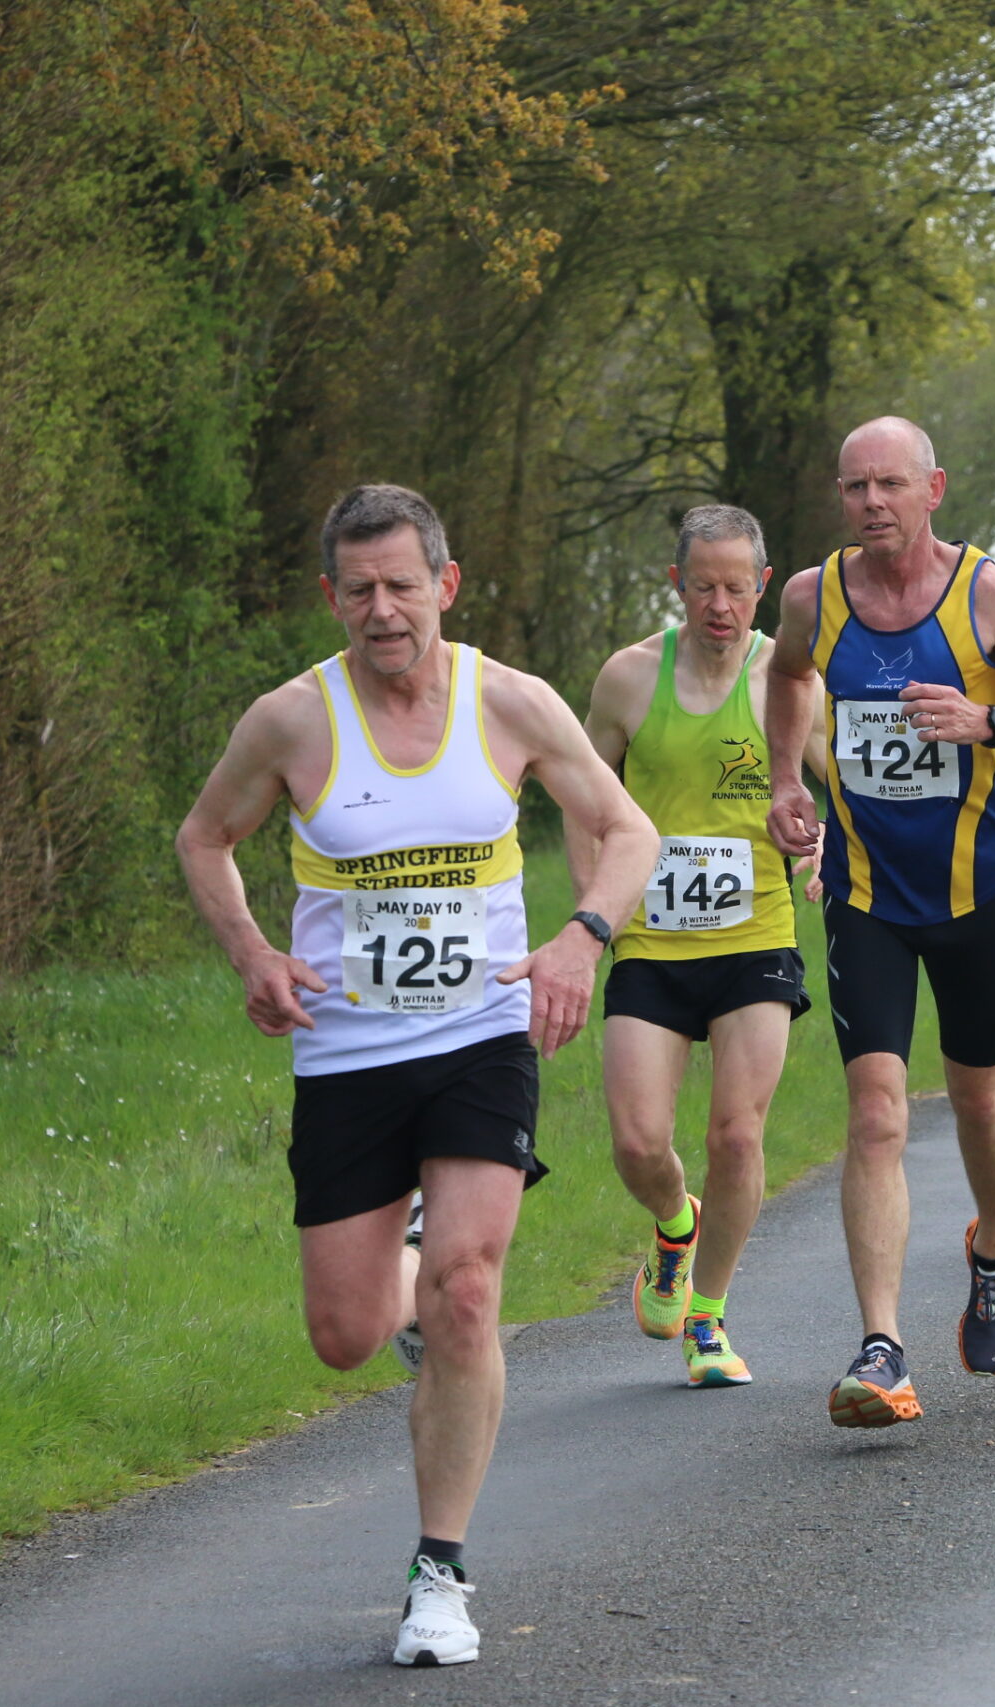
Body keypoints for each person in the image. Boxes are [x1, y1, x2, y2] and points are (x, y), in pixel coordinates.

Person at [175, 484, 656, 1667]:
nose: (383, 610)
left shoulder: (510, 702)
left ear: (445, 584)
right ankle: (409, 1264)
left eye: (402, 585)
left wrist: (580, 939)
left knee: (469, 1295)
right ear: (330, 597)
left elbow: (628, 830)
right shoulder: (292, 721)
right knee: (345, 1335)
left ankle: (439, 1575)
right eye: (360, 590)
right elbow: (204, 837)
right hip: (347, 1053)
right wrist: (253, 954)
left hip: (480, 1039)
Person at [765, 417, 995, 1428]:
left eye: (891, 484)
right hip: (864, 894)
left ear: (934, 488)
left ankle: (993, 1246)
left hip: (973, 893)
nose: (872, 503)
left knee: (978, 1097)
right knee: (876, 1111)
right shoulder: (811, 596)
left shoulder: (988, 595)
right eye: (855, 486)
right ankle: (882, 1348)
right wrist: (786, 778)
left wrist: (987, 720)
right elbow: (787, 675)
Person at [584, 505, 816, 1387]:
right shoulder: (628, 678)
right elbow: (585, 798)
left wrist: (827, 845)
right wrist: (595, 913)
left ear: (764, 585)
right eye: (704, 586)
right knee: (639, 1143)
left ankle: (709, 1317)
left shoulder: (789, 679)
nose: (722, 605)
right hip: (649, 936)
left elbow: (836, 786)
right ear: (676, 583)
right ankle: (674, 1225)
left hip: (756, 931)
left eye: (738, 587)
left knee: (736, 1135)